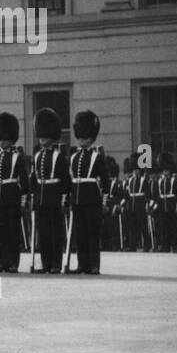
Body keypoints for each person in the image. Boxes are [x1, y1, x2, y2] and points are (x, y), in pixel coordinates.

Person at [28, 109, 70, 273]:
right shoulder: (37, 156)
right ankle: (45, 263)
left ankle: (55, 263)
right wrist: (33, 195)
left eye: (45, 135)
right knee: (43, 232)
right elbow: (34, 178)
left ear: (51, 136)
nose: (42, 138)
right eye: (41, 135)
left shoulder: (58, 156)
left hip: (54, 196)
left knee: (55, 232)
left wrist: (64, 198)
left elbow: (65, 179)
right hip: (41, 197)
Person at [67, 110, 105, 274]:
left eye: (85, 138)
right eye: (80, 138)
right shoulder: (74, 157)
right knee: (80, 234)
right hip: (78, 198)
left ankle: (94, 265)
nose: (82, 141)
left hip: (92, 198)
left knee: (92, 234)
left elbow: (105, 179)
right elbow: (71, 179)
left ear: (91, 138)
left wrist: (105, 200)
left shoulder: (97, 156)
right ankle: (82, 264)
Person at [0, 113, 27, 273]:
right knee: (1, 232)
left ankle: (13, 262)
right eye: (1, 138)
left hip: (12, 197)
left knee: (12, 232)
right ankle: (3, 262)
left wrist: (24, 199)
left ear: (11, 139)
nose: (2, 141)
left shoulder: (17, 157)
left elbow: (24, 180)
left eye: (5, 139)